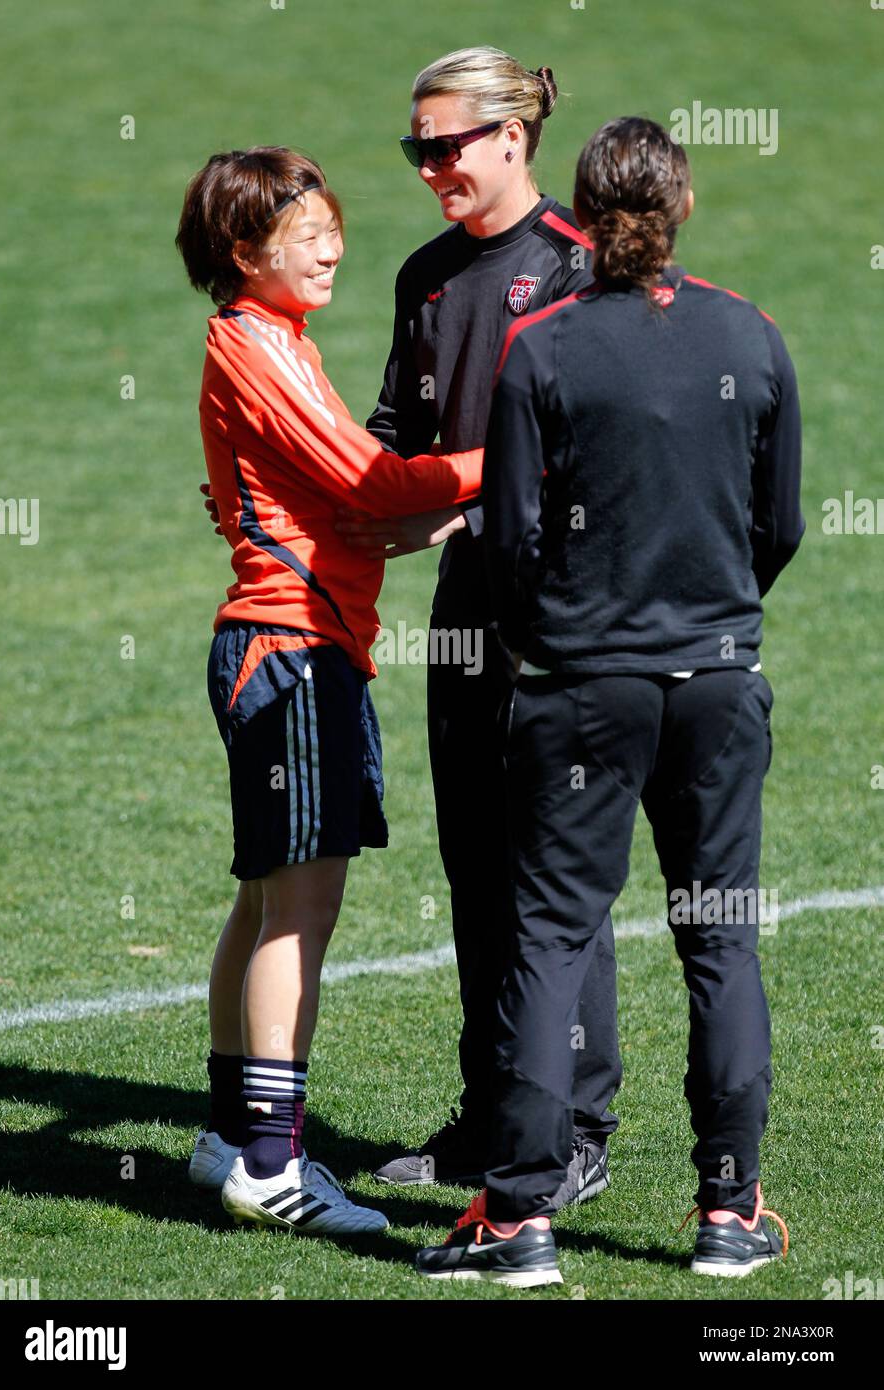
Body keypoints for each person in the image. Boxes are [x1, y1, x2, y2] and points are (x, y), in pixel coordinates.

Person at [417, 116, 803, 1285]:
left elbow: (514, 545)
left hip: (580, 694)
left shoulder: (543, 349)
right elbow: (777, 527)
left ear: (584, 217)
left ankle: (519, 1217)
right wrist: (714, 620)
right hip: (721, 686)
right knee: (721, 936)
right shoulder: (754, 333)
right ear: (680, 206)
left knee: (548, 937)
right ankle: (728, 1212)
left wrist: (563, 642)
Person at [175, 146, 484, 1236]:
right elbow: (369, 481)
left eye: (331, 223)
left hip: (296, 644)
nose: (332, 244)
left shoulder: (276, 341)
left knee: (268, 896)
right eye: (304, 231)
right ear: (242, 250)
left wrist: (421, 518)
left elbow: (355, 514)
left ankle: (229, 1134)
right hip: (290, 653)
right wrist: (509, 455)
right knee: (299, 909)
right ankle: (270, 1161)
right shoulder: (259, 347)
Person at [339, 46, 621, 1202]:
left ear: (514, 136)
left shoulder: (579, 269)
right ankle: (493, 1112)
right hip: (465, 620)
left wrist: (455, 504)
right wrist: (319, 498)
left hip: (566, 622)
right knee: (474, 869)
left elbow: (591, 452)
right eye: (417, 150)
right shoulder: (425, 277)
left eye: (446, 146)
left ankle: (578, 1127)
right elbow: (396, 436)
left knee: (554, 877)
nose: (429, 168)